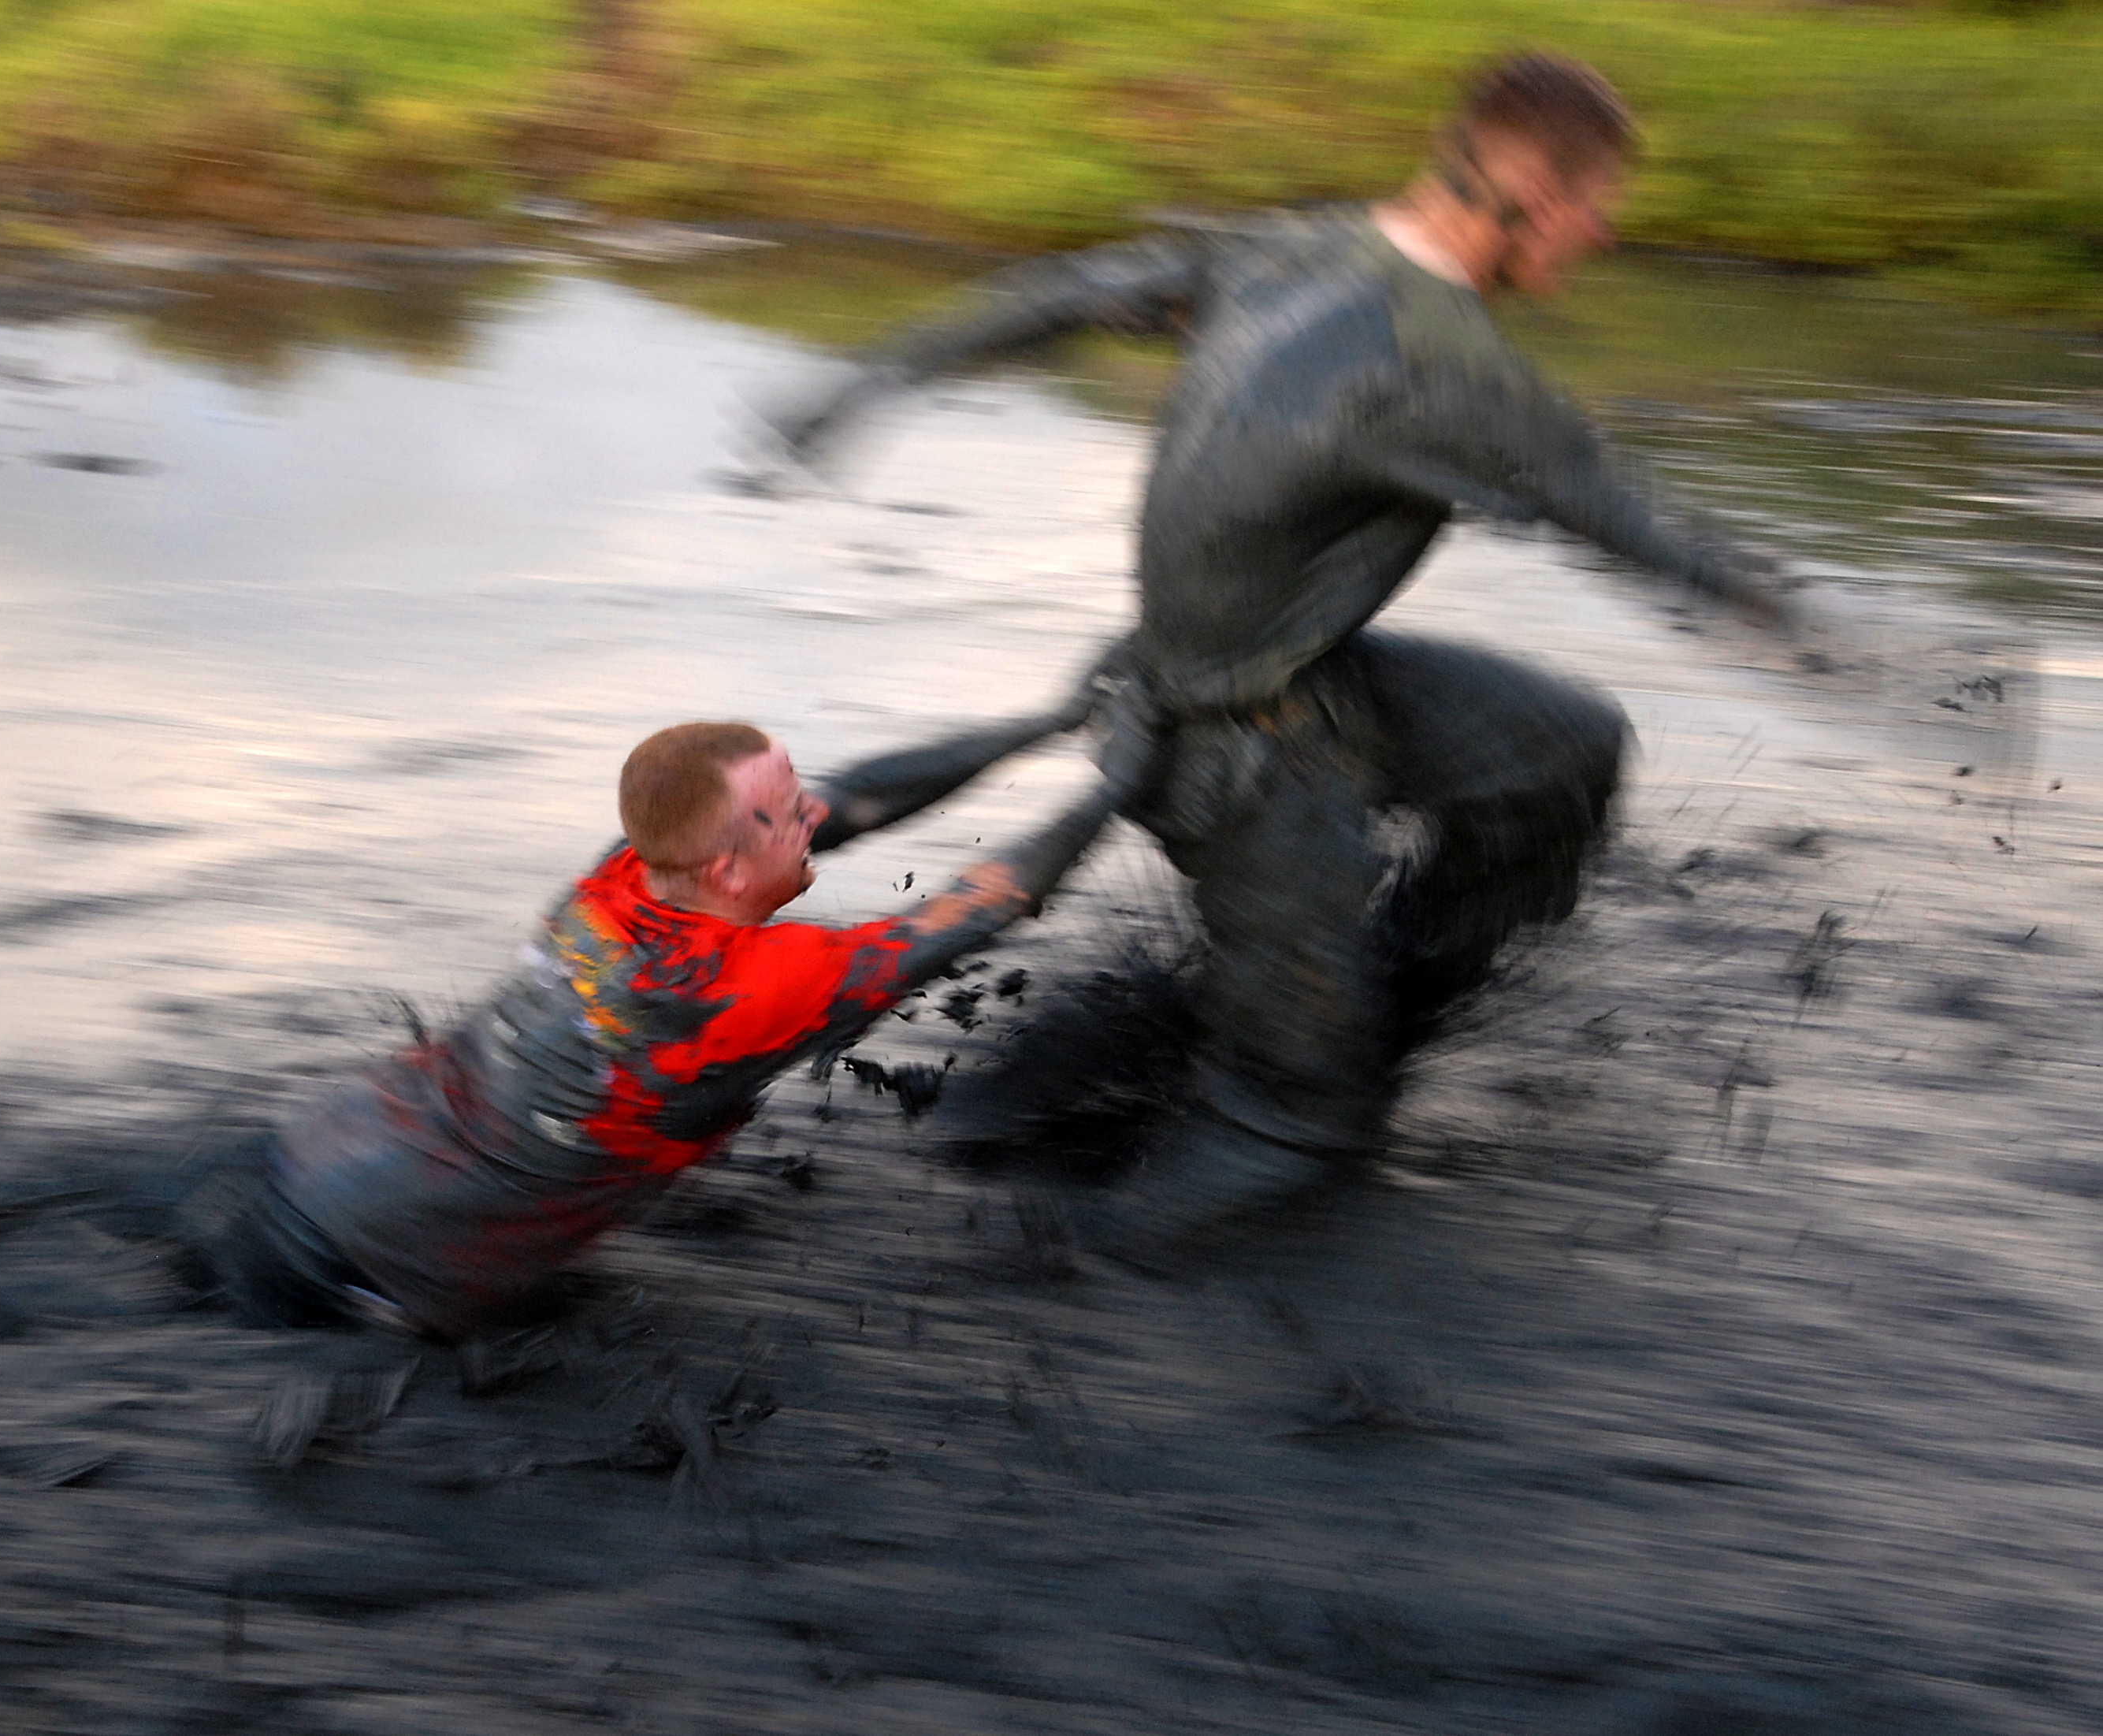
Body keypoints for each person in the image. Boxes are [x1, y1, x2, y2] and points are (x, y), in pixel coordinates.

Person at [760, 53, 1803, 1251]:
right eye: (1596, 204)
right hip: (1238, 747)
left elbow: (1064, 291)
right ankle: (1059, 1268)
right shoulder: (1443, 370)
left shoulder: (1296, 249)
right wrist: (1842, 641)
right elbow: (1637, 524)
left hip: (1293, 678)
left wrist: (868, 377)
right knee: (1299, 1123)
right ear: (1533, 198)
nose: (1606, 234)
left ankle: (1356, 989)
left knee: (1564, 752)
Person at [202, 681, 1157, 1340]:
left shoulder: (629, 869)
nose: (814, 815)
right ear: (730, 869)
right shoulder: (747, 992)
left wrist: (1048, 721)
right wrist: (1117, 785)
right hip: (369, 1269)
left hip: (313, 1155)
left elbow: (862, 796)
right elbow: (981, 905)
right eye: (791, 814)